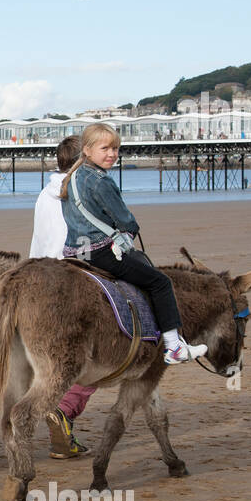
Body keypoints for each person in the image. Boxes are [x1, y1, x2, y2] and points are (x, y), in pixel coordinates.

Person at [60, 123, 208, 364]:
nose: (112, 154)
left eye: (116, 148)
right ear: (86, 150)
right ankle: (173, 346)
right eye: (105, 148)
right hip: (100, 253)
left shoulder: (72, 177)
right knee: (160, 282)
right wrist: (129, 230)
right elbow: (125, 219)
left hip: (74, 253)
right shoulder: (101, 181)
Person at [30, 136, 96, 457]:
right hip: (74, 280)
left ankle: (55, 426)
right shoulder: (83, 190)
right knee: (103, 353)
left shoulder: (44, 193)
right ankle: (65, 410)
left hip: (41, 281)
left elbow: (39, 242)